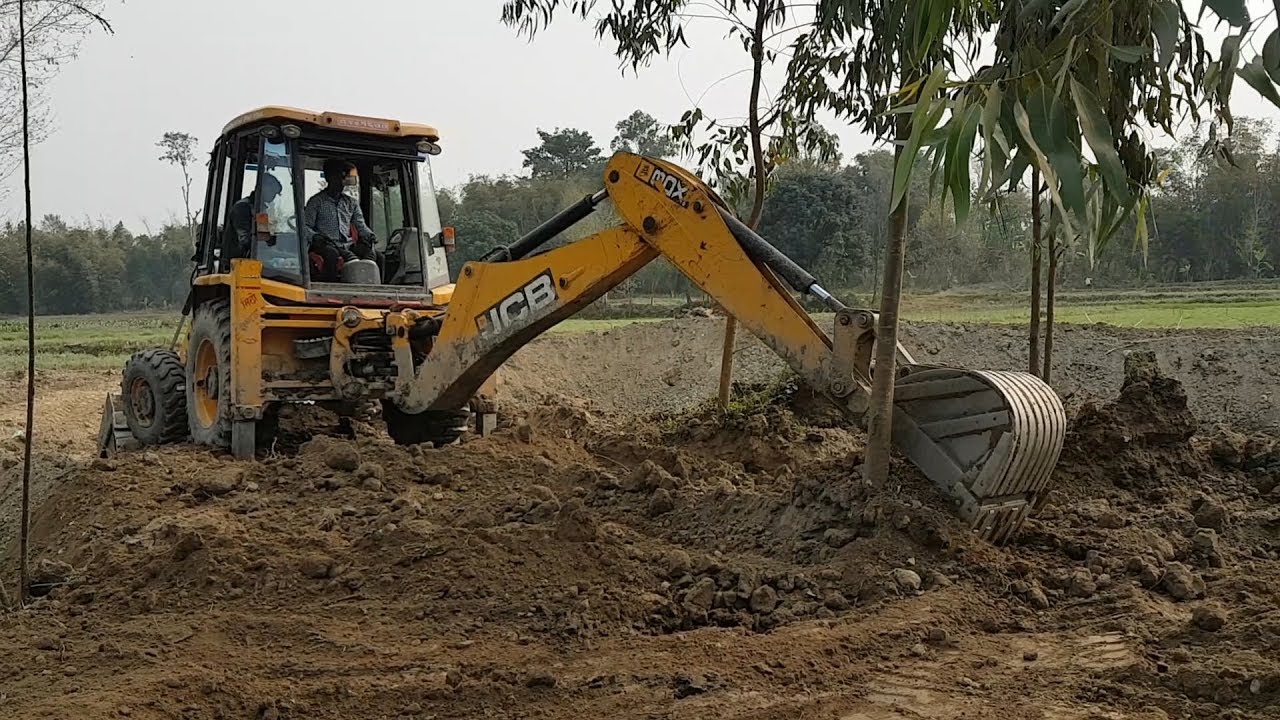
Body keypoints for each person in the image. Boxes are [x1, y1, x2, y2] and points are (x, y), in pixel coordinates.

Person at [304, 158, 378, 280]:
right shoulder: (316, 202)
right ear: (328, 178)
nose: (341, 182)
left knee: (377, 256)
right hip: (326, 244)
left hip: (347, 244)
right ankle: (330, 285)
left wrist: (369, 235)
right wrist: (314, 236)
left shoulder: (351, 203)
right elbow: (305, 226)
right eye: (338, 177)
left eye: (344, 178)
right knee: (331, 255)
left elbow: (360, 225)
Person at [229, 174, 283, 258]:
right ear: (263, 187)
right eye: (273, 192)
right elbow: (245, 240)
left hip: (254, 258)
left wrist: (279, 240)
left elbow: (263, 236)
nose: (274, 196)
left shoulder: (260, 209)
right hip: (240, 262)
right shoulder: (243, 207)